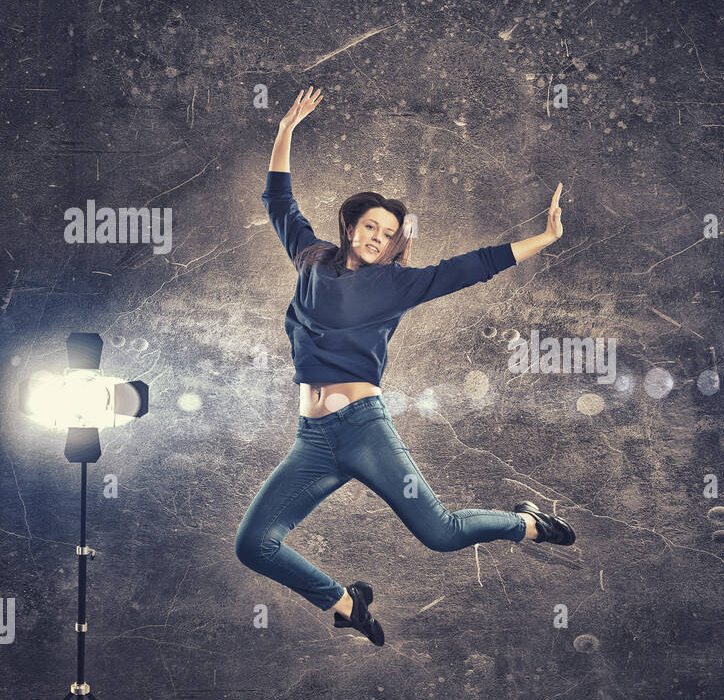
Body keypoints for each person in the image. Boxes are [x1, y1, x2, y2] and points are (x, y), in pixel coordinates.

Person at [235, 86, 575, 647]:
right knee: (253, 546)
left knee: (440, 533)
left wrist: (546, 237)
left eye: (390, 233)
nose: (379, 238)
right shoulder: (310, 258)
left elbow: (471, 267)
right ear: (351, 226)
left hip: (362, 428)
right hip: (313, 439)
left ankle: (529, 523)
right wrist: (285, 130)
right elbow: (279, 199)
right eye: (372, 226)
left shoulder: (397, 284)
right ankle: (348, 604)